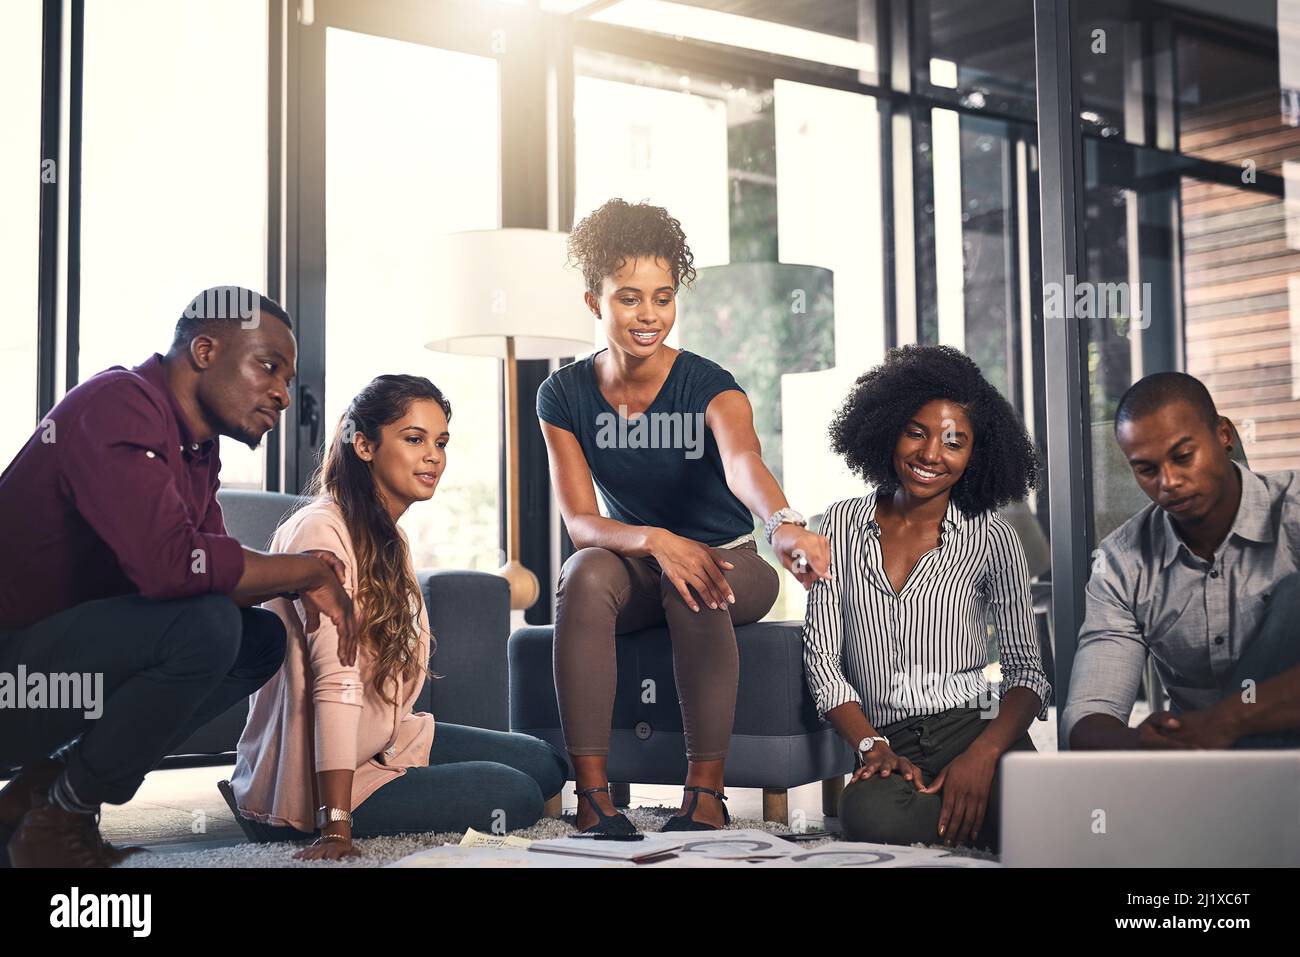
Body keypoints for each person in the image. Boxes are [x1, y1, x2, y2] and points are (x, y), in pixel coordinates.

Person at [0, 286, 355, 868]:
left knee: (256, 639)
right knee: (207, 625)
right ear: (206, 350)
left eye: (289, 380)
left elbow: (207, 566)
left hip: (53, 675)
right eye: (269, 368)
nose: (283, 396)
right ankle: (55, 820)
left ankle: (44, 798)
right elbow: (172, 567)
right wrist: (306, 570)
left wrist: (294, 579)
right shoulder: (118, 404)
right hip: (12, 676)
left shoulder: (196, 449)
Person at [537, 198, 831, 833]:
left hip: (734, 561)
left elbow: (742, 461)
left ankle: (705, 795)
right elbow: (582, 523)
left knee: (691, 577)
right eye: (629, 298)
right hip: (638, 561)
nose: (649, 315)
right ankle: (593, 798)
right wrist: (657, 540)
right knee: (585, 571)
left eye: (663, 297)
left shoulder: (708, 383)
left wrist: (781, 523)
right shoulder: (562, 394)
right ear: (595, 300)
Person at [233, 375, 567, 859]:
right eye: (414, 439)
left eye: (441, 442)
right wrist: (336, 828)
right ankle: (320, 817)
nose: (434, 456)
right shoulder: (322, 532)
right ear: (364, 446)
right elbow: (336, 683)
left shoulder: (389, 536)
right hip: (313, 783)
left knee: (544, 763)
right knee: (513, 794)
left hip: (385, 742)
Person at [803, 344, 1051, 852]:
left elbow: (1027, 674)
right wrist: (870, 746)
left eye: (954, 442)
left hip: (975, 725)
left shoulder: (994, 537)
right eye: (916, 432)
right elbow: (824, 660)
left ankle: (984, 805)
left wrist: (982, 759)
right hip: (889, 739)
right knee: (870, 818)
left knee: (1045, 809)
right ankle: (983, 821)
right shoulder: (840, 526)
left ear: (976, 455)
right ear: (888, 427)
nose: (931, 454)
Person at [1064, 372, 1300, 750]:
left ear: (1224, 434)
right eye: (1147, 469)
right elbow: (1087, 715)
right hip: (1198, 772)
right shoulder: (1120, 564)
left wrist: (1225, 721)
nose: (1168, 481)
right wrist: (1138, 745)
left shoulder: (1293, 511)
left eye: (1182, 456)